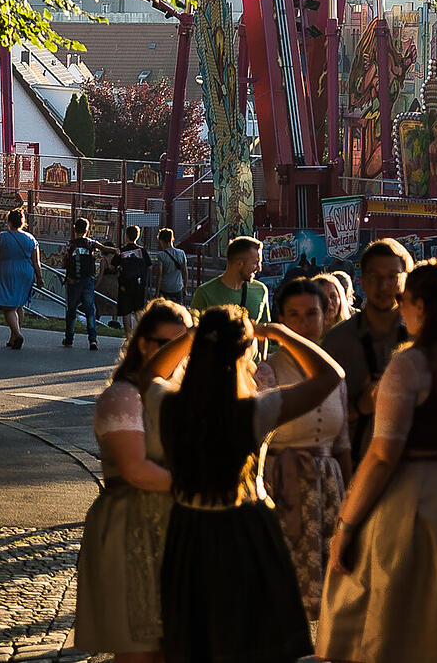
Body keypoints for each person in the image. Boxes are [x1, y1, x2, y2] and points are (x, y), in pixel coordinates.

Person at [322, 259, 437, 663]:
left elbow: (382, 454)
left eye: (404, 300)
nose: (400, 308)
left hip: (415, 499)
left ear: (421, 306)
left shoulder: (410, 364)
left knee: (402, 616)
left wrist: (346, 525)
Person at [141, 308, 343, 663]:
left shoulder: (169, 404)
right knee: (252, 636)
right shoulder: (257, 410)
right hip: (247, 532)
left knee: (196, 636)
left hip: (189, 528)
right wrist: (280, 334)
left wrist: (191, 337)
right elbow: (331, 375)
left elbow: (148, 374)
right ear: (245, 352)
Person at [74, 298, 193, 660]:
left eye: (185, 344)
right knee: (138, 649)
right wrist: (202, 484)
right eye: (167, 344)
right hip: (130, 526)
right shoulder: (123, 396)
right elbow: (135, 469)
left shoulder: (179, 396)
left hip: (175, 528)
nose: (177, 354)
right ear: (143, 344)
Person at [257, 278, 354, 624]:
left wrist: (350, 503)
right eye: (293, 315)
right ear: (280, 320)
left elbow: (342, 444)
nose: (303, 323)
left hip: (327, 488)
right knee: (280, 594)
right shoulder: (267, 371)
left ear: (326, 316)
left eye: (311, 314)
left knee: (329, 599)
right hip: (280, 487)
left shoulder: (335, 372)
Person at [324, 239, 412, 459]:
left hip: (413, 465)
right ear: (362, 281)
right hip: (355, 463)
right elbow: (321, 419)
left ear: (404, 280)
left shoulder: (421, 338)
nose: (383, 286)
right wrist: (360, 406)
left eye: (392, 277)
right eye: (375, 277)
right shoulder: (338, 341)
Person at [0, 206, 41, 351]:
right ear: (22, 222)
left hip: (6, 270)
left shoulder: (1, 237)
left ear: (9, 222)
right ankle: (13, 338)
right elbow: (36, 262)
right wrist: (39, 277)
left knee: (8, 307)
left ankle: (17, 334)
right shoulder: (31, 239)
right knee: (19, 305)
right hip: (26, 272)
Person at [191, 235, 272, 325]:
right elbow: (192, 331)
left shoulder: (261, 290)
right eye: (255, 263)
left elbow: (265, 330)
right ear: (239, 263)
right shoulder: (204, 293)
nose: (259, 268)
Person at [62, 217, 114, 350]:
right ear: (87, 230)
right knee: (90, 310)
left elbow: (64, 263)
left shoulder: (70, 244)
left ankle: (69, 338)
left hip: (73, 281)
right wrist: (116, 250)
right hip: (87, 281)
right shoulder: (90, 243)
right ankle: (92, 340)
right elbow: (103, 248)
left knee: (71, 310)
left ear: (74, 229)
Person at [116, 225, 151, 334]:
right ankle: (142, 335)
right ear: (137, 236)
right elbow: (149, 266)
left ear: (126, 236)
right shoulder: (142, 251)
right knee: (138, 309)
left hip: (125, 284)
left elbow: (112, 266)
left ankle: (129, 337)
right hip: (139, 284)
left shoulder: (122, 251)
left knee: (126, 311)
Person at [153, 227, 189, 309]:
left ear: (161, 240)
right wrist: (185, 288)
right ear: (172, 239)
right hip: (178, 287)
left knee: (164, 310)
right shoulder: (181, 253)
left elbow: (159, 275)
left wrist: (157, 292)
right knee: (177, 310)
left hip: (165, 287)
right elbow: (185, 272)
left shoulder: (160, 256)